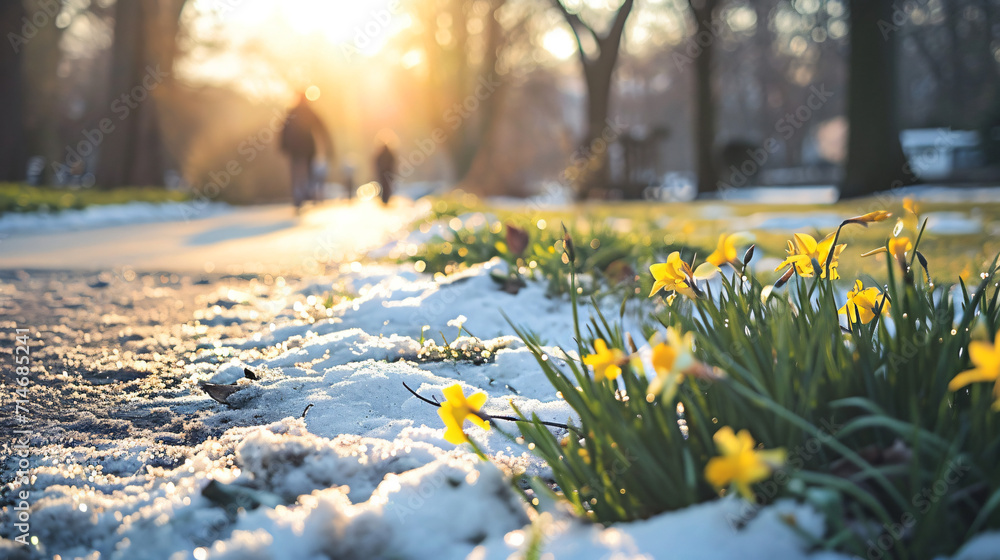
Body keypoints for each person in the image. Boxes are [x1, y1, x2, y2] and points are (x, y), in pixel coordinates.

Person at [280, 92, 331, 211]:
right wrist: (327, 145)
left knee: (297, 173)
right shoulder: (308, 111)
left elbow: (284, 130)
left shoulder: (292, 112)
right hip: (307, 149)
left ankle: (299, 195)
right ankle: (305, 192)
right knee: (307, 172)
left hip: (296, 150)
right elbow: (322, 128)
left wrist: (284, 146)